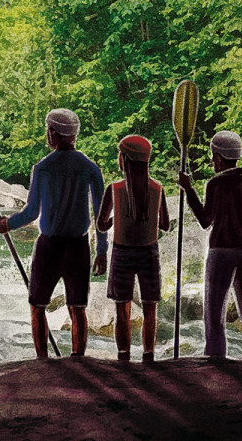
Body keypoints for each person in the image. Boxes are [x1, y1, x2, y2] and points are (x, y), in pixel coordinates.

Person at [0, 108, 108, 359]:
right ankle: (78, 360)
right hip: (79, 248)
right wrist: (102, 251)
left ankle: (42, 361)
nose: (48, 135)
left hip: (50, 247)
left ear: (54, 134)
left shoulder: (43, 168)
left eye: (49, 131)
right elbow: (101, 215)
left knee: (37, 307)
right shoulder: (90, 168)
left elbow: (32, 212)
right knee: (77, 308)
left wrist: (8, 224)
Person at [177, 131, 242, 362]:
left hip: (219, 254)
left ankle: (215, 362)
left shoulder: (214, 184)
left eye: (212, 156)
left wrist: (188, 189)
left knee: (214, 316)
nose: (211, 161)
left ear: (218, 158)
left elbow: (205, 220)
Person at [96, 135, 170, 362]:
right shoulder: (157, 188)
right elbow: (165, 225)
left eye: (120, 155)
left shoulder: (114, 189)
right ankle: (148, 354)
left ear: (125, 159)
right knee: (150, 308)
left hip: (122, 252)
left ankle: (124, 355)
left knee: (122, 309)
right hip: (149, 253)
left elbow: (100, 224)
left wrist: (116, 220)